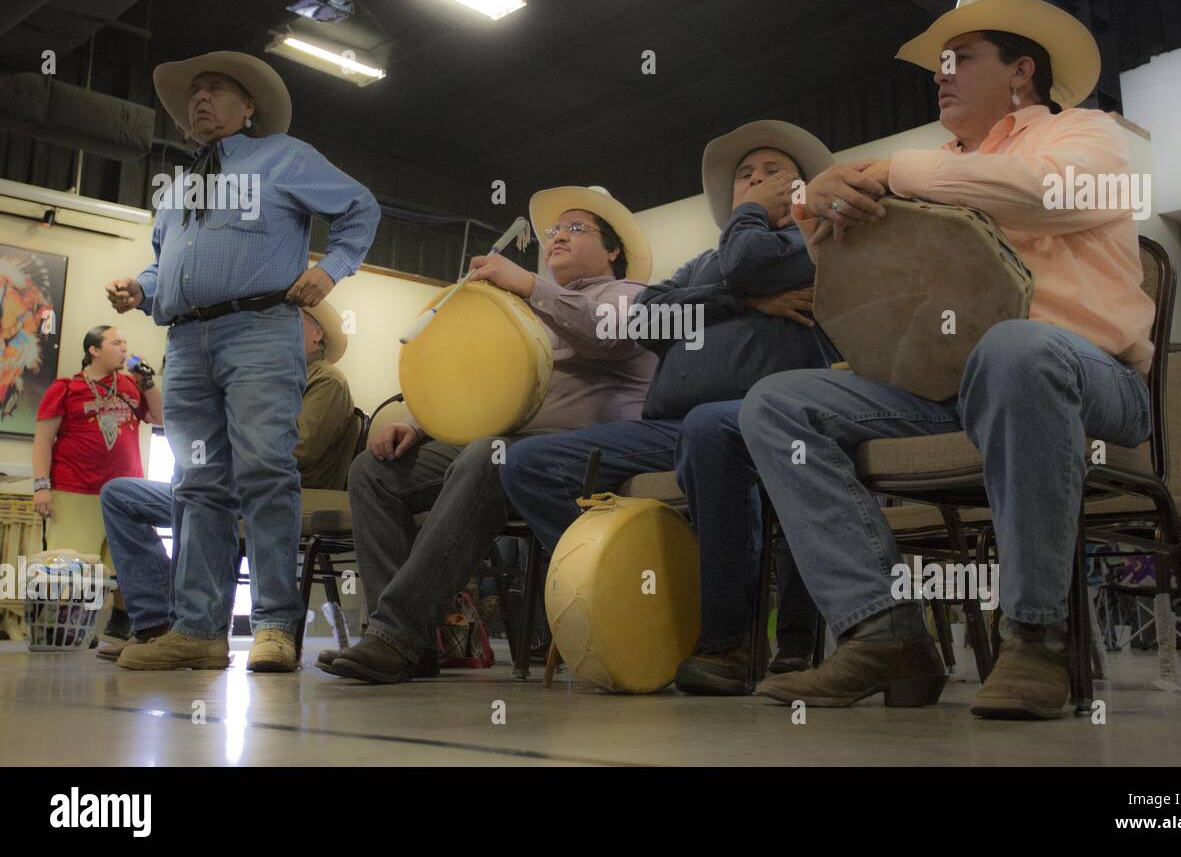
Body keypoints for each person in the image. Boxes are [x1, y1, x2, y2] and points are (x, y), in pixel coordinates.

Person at [741, 0, 1154, 719]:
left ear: (1021, 71)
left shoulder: (1087, 136)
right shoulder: (929, 165)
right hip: (950, 389)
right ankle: (884, 631)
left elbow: (1046, 193)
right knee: (777, 404)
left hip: (1093, 378)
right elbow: (873, 310)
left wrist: (892, 173)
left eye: (961, 58)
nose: (942, 73)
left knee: (1016, 348)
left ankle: (1034, 636)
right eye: (939, 63)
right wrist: (824, 227)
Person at [500, 121, 836, 694]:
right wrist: (742, 302)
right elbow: (646, 318)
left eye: (769, 173)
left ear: (801, 189)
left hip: (772, 423)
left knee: (711, 430)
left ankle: (728, 641)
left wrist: (748, 227)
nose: (752, 183)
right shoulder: (707, 262)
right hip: (667, 429)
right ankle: (628, 593)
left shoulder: (816, 242)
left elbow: (751, 261)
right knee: (524, 463)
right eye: (744, 179)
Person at [106, 51, 379, 672]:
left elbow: (361, 207)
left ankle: (276, 626)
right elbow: (162, 263)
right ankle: (198, 630)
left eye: (215, 88)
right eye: (194, 92)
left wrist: (331, 269)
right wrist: (140, 290)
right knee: (197, 483)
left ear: (248, 105)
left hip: (258, 330)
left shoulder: (283, 155)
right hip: (187, 342)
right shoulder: (178, 188)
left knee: (263, 471)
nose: (200, 99)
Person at [323, 186, 657, 683]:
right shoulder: (526, 311)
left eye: (576, 228)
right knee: (374, 470)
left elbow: (606, 332)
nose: (558, 236)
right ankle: (409, 643)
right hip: (505, 445)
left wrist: (527, 286)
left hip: (581, 455)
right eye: (553, 231)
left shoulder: (628, 296)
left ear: (613, 251)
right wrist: (415, 422)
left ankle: (397, 633)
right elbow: (473, 380)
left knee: (486, 456)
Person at [97, 303, 356, 662]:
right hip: (231, 484)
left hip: (269, 489)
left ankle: (196, 627)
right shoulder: (261, 378)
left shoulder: (326, 379)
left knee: (198, 490)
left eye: (289, 322)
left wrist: (224, 452)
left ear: (317, 334)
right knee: (120, 495)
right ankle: (157, 624)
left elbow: (299, 447)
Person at [33, 325, 163, 637]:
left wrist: (147, 381)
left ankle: (123, 623)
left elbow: (160, 418)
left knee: (127, 561)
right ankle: (68, 629)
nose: (124, 347)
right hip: (75, 489)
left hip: (127, 490)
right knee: (72, 565)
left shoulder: (133, 387)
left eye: (125, 342)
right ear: (94, 349)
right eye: (116, 342)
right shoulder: (65, 388)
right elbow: (42, 440)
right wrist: (41, 487)